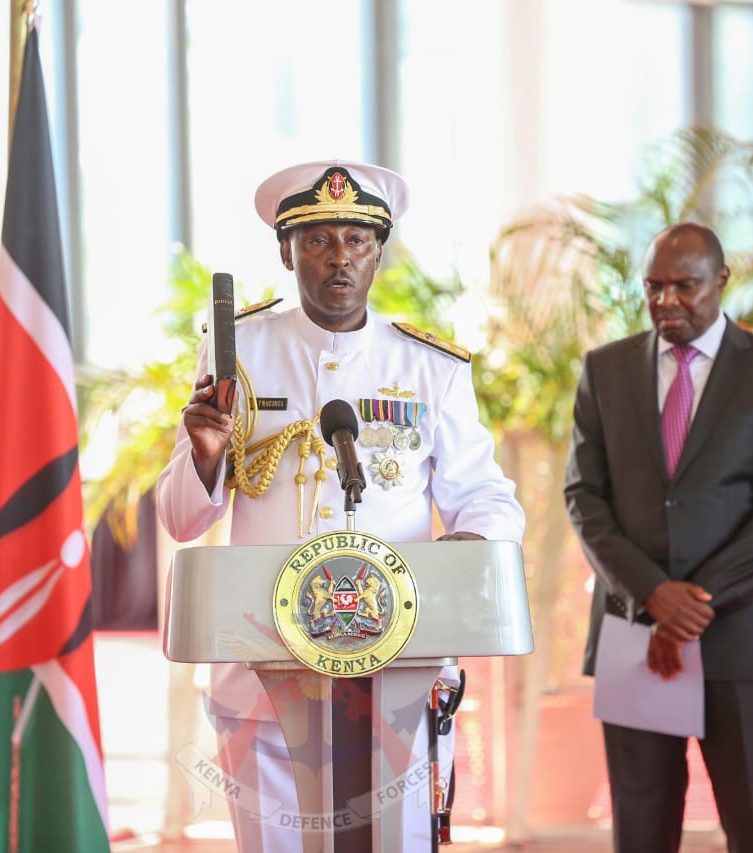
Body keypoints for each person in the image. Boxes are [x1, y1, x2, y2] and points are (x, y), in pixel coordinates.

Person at [156, 159, 525, 849]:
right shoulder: (239, 351)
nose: (339, 257)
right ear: (286, 250)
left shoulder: (430, 367)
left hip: (397, 668)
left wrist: (464, 553)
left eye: (356, 240)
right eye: (318, 239)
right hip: (261, 666)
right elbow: (181, 517)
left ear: (379, 251)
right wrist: (206, 451)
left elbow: (486, 497)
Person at [563, 223, 753, 852]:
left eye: (685, 286)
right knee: (641, 831)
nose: (666, 301)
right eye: (654, 287)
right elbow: (584, 498)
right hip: (632, 630)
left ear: (721, 282)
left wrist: (693, 601)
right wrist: (653, 594)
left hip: (743, 639)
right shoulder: (605, 370)